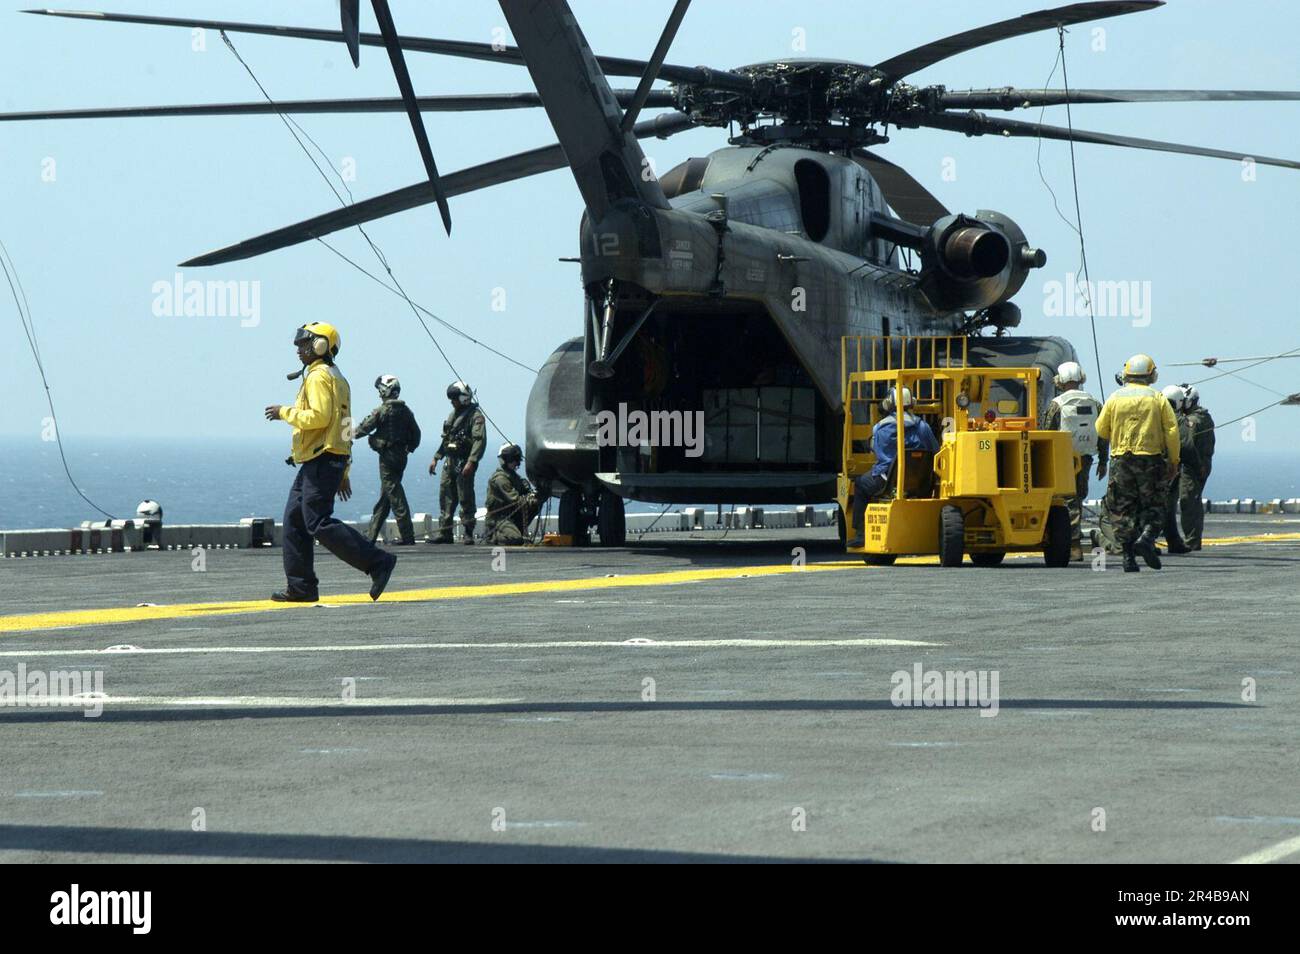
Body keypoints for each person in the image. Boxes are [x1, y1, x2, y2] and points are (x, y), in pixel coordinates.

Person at [265, 322, 396, 602]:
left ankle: (377, 562)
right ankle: (301, 587)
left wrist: (283, 412)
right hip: (324, 459)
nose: (299, 349)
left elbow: (319, 418)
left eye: (304, 344)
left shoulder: (318, 377)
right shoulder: (337, 377)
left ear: (321, 345)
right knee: (294, 521)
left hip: (321, 460)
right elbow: (346, 426)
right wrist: (345, 467)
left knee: (318, 522)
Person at [1095, 353, 1179, 573]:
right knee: (1156, 504)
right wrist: (1174, 460)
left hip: (1121, 460)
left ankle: (1128, 557)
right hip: (1151, 460)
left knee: (1122, 509)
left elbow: (1101, 429)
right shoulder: (1157, 398)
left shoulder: (1115, 398)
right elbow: (1171, 430)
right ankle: (1147, 538)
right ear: (1150, 374)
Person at [847, 386, 939, 547]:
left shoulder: (880, 427)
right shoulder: (923, 426)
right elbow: (936, 449)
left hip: (888, 481)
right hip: (921, 482)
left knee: (861, 484)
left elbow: (875, 450)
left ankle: (861, 534)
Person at [1043, 361, 1108, 561]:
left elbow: (1047, 434)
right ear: (1081, 378)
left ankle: (1073, 545)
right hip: (1085, 458)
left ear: (1060, 381)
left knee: (1064, 500)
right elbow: (1103, 434)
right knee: (1077, 498)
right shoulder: (1095, 403)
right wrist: (1104, 460)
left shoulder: (1056, 404)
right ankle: (1073, 544)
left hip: (1061, 459)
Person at [354, 374, 421, 545]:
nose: (379, 394)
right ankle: (371, 536)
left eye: (380, 390)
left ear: (385, 390)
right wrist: (408, 449)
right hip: (401, 458)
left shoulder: (382, 411)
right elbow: (416, 435)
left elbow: (364, 428)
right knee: (387, 497)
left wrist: (346, 435)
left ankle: (408, 536)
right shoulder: (407, 412)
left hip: (387, 458)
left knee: (395, 495)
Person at [428, 380, 486, 544]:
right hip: (450, 461)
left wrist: (472, 461)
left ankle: (468, 532)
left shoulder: (476, 417)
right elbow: (447, 439)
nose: (452, 402)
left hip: (463, 462)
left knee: (465, 497)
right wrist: (436, 458)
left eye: (454, 399)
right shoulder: (453, 416)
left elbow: (479, 441)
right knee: (445, 496)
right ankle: (445, 533)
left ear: (463, 398)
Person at [1158, 385, 1200, 554]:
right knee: (1164, 506)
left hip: (1143, 465)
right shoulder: (1177, 419)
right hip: (1168, 469)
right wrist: (1196, 466)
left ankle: (1172, 540)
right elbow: (1187, 447)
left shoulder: (1152, 414)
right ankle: (1149, 540)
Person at [1179, 383, 1216, 550]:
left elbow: (1188, 445)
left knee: (1189, 500)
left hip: (1193, 464)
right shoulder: (1204, 416)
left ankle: (1192, 540)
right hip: (1200, 463)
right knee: (1191, 499)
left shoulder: (1193, 420)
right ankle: (1192, 539)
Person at [484, 443, 540, 545]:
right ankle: (493, 535)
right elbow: (516, 500)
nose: (516, 463)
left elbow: (527, 493)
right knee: (515, 539)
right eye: (514, 460)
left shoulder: (514, 477)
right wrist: (530, 499)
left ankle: (516, 530)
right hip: (499, 518)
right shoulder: (500, 479)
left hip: (512, 516)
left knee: (535, 505)